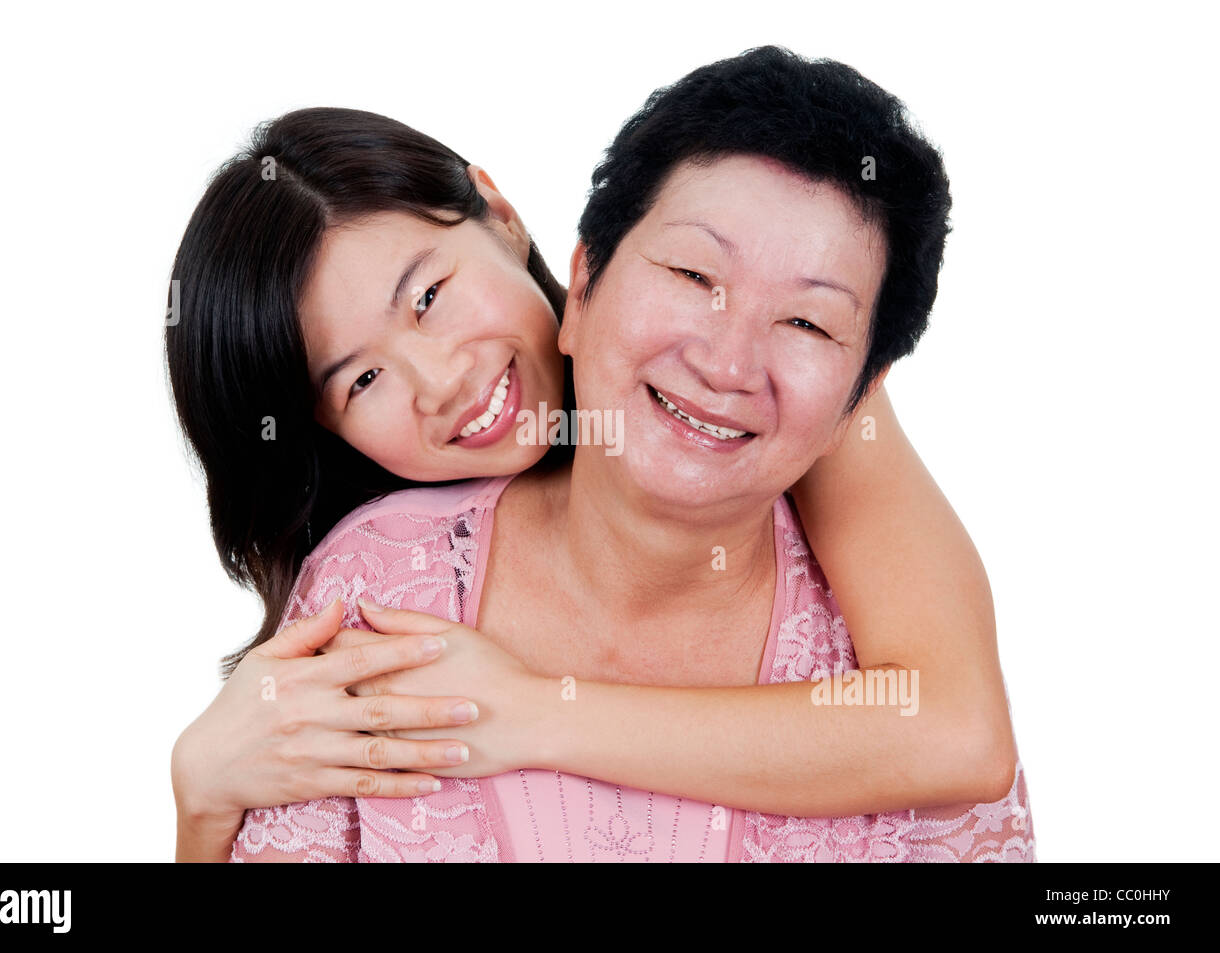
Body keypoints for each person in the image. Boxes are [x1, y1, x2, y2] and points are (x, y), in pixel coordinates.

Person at [207, 46, 1033, 862]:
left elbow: (956, 731)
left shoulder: (788, 388)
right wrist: (201, 797)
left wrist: (531, 713)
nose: (444, 382)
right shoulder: (374, 585)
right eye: (361, 380)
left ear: (501, 214)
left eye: (429, 297)